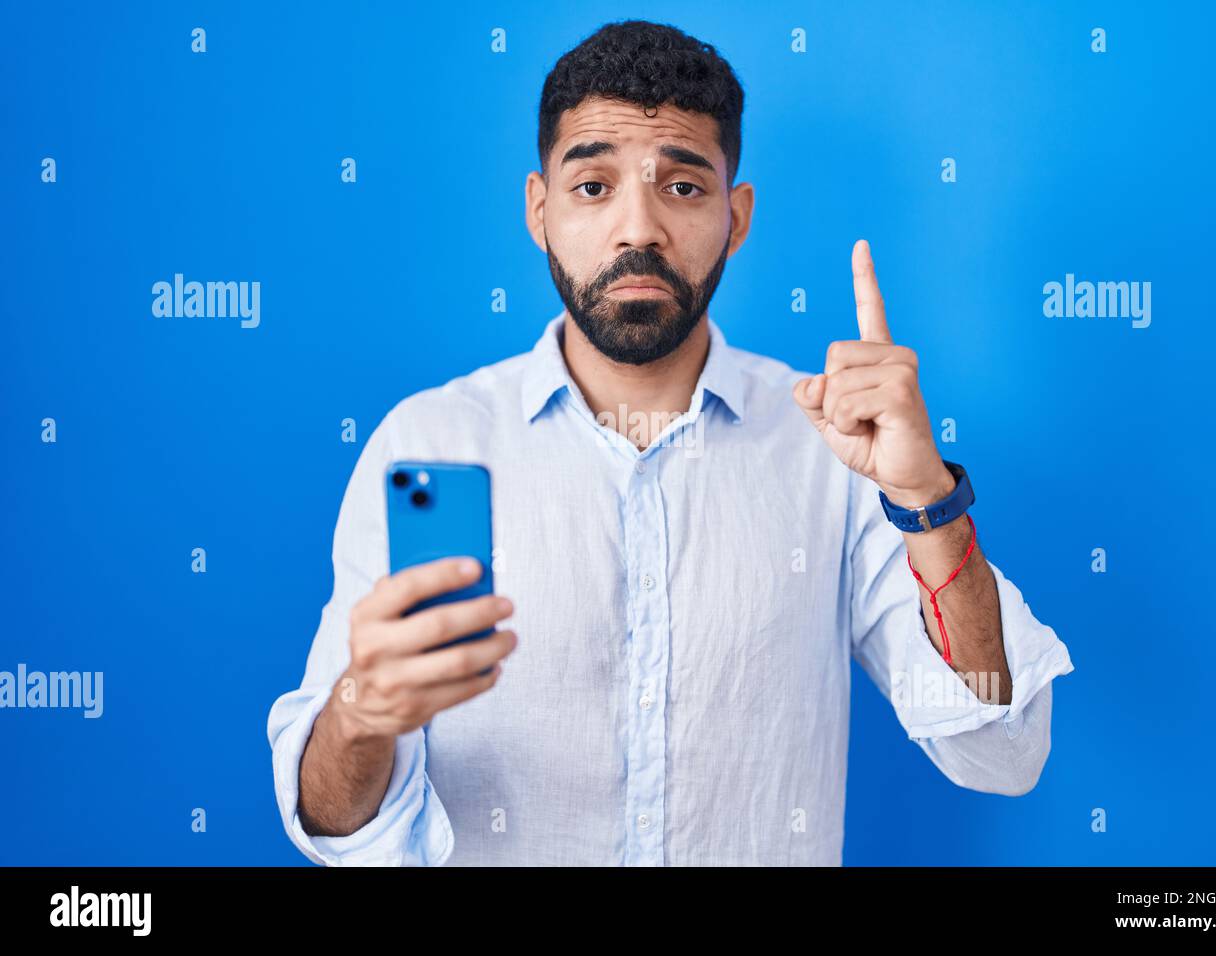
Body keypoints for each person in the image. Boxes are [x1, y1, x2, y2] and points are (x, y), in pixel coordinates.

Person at [267, 19, 1074, 866]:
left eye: (683, 187)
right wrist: (361, 713)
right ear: (539, 211)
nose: (638, 229)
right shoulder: (427, 439)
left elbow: (1001, 753)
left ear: (737, 216)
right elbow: (331, 827)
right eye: (593, 187)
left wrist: (927, 503)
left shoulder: (834, 447)